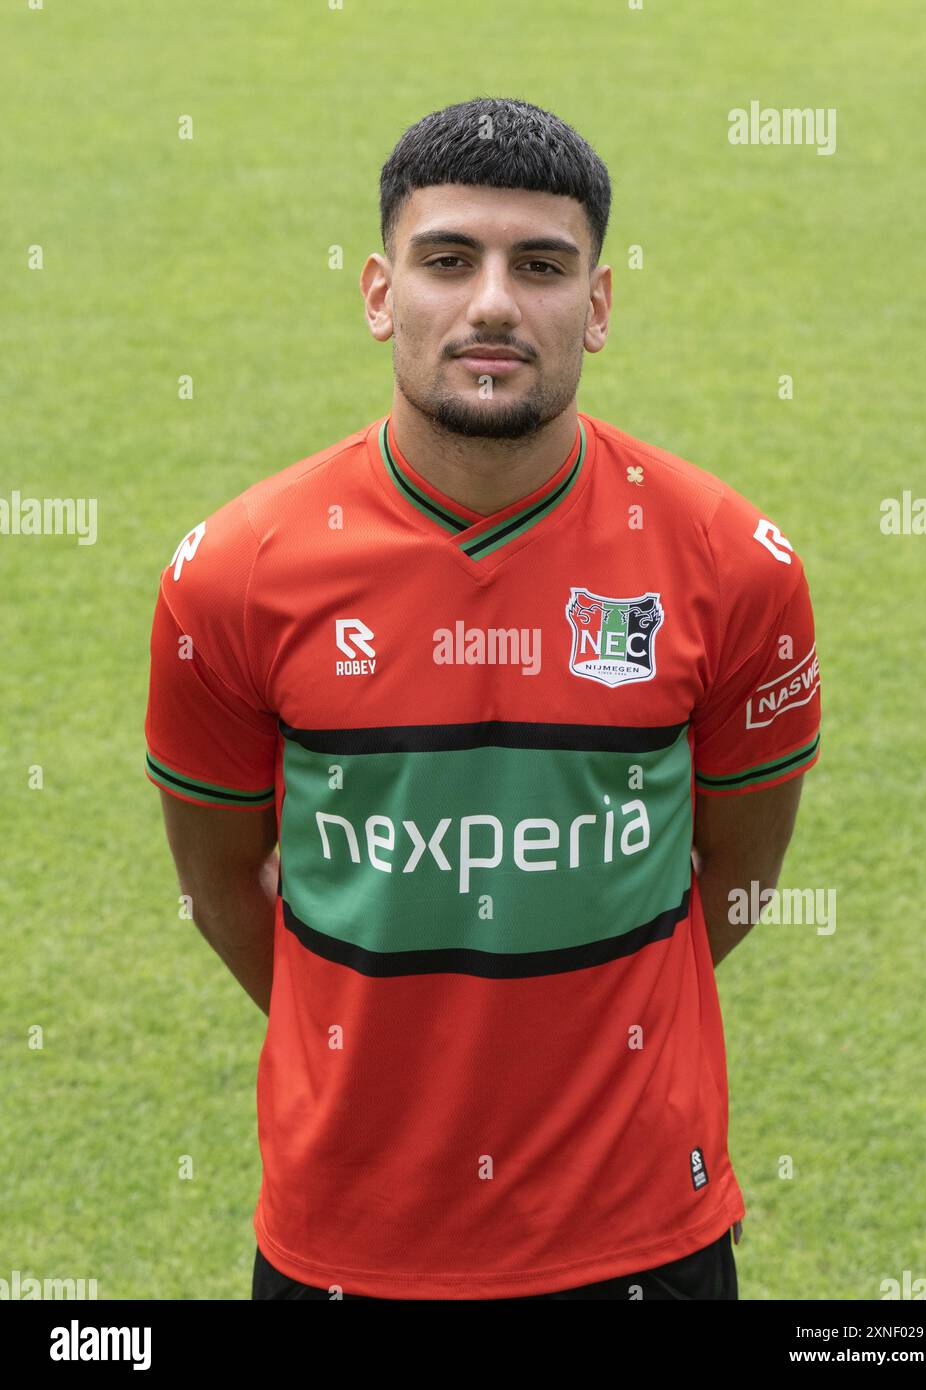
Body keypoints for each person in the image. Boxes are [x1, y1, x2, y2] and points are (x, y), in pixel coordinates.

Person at [144, 96, 822, 1301]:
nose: (494, 303)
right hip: (347, 1235)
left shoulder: (732, 562)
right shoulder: (236, 573)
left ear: (596, 308)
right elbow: (220, 890)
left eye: (542, 265)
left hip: (639, 1237)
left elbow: (737, 876)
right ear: (377, 293)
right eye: (447, 260)